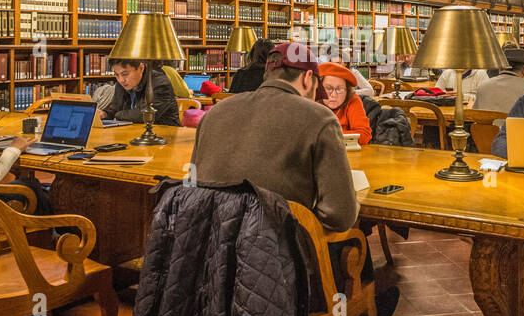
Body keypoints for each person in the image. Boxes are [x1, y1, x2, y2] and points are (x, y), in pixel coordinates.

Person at [191, 42, 357, 232]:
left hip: (208, 243)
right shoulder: (320, 118)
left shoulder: (215, 112)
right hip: (274, 250)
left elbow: (193, 185)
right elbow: (339, 216)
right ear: (308, 78)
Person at [94, 58, 180, 126]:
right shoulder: (121, 84)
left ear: (141, 68)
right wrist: (104, 114)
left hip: (163, 137)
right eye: (116, 75)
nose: (121, 80)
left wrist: (117, 115)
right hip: (131, 134)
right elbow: (115, 108)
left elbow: (144, 115)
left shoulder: (160, 83)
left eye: (125, 74)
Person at [473, 46, 524, 115]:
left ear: (500, 68)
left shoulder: (483, 86)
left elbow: (476, 114)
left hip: (488, 125)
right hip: (517, 126)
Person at [318, 62, 372, 144]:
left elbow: (364, 135)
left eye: (339, 89)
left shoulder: (353, 100)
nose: (334, 95)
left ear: (347, 90)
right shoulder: (312, 100)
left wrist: (325, 135)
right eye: (328, 88)